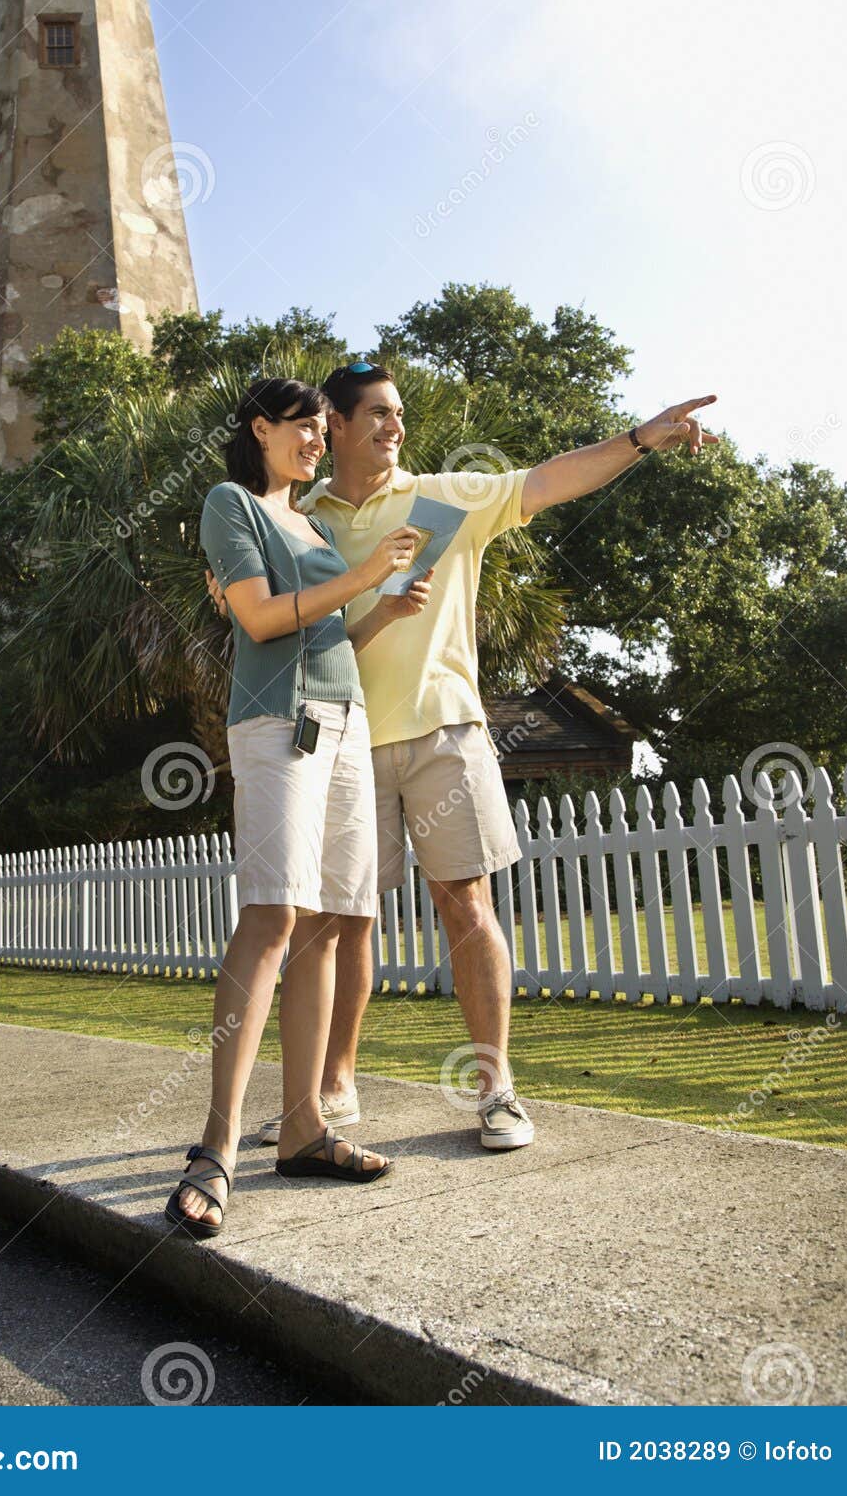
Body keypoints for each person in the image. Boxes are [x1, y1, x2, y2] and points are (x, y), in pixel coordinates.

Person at [212, 362, 717, 1152]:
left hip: (445, 729)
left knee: (465, 904)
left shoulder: (448, 496)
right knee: (339, 925)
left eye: (398, 414)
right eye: (374, 413)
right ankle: (333, 1091)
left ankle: (495, 1089)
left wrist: (639, 439)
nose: (393, 426)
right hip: (339, 740)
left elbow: (550, 480)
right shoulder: (296, 516)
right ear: (333, 424)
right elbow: (271, 620)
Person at [166, 377, 433, 1238]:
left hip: (344, 723)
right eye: (303, 427)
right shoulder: (229, 504)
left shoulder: (313, 525)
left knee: (328, 921)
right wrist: (361, 573)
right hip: (276, 727)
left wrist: (379, 611)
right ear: (259, 429)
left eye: (323, 428)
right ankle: (214, 1150)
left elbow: (321, 633)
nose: (317, 440)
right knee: (275, 914)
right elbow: (259, 618)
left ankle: (306, 1130)